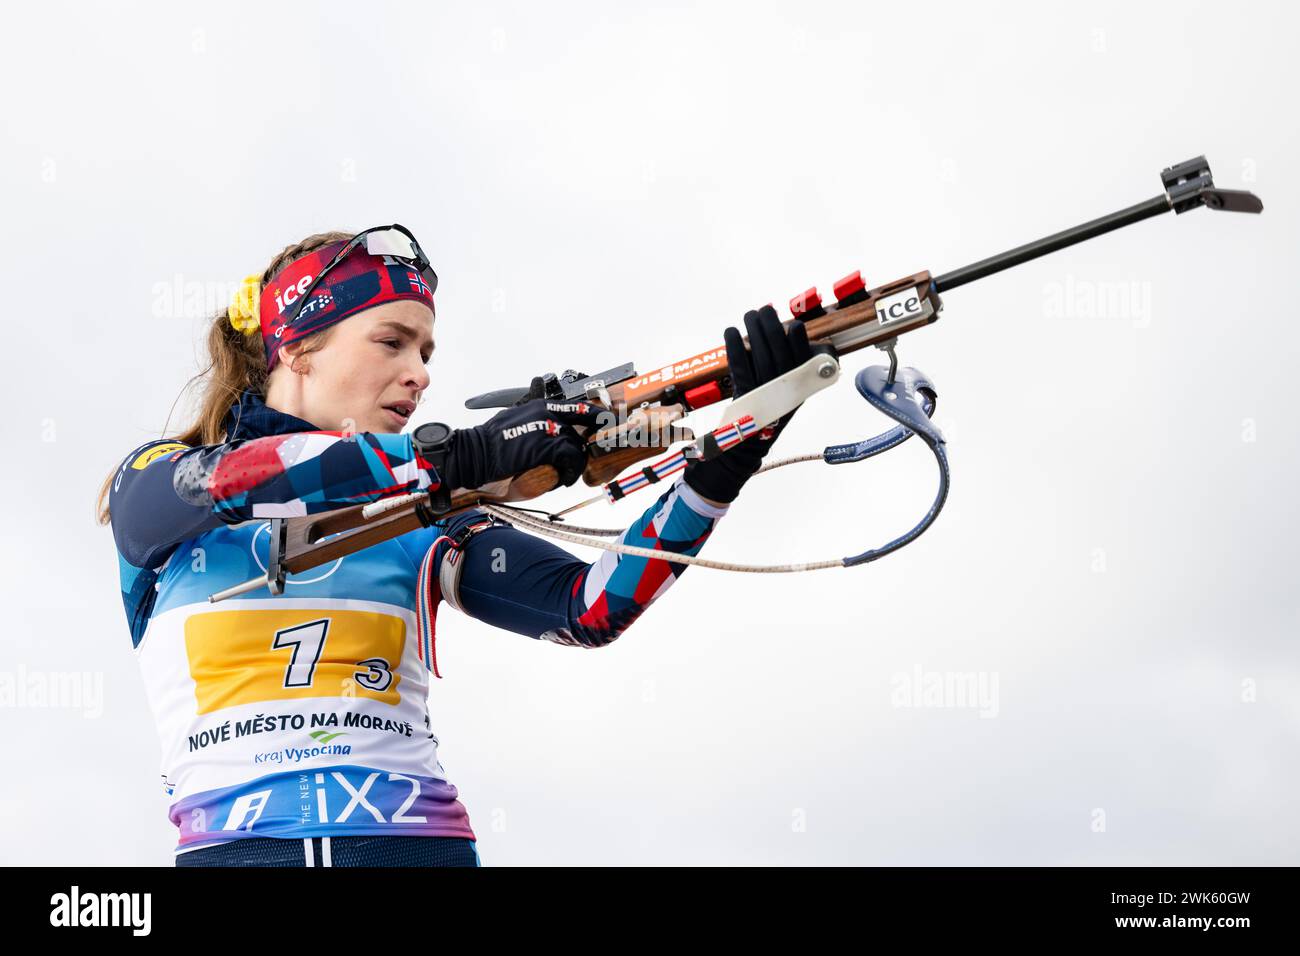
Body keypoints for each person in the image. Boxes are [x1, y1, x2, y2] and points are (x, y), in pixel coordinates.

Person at [97, 224, 819, 867]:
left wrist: (730, 453)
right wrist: (461, 456)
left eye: (427, 349)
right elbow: (220, 484)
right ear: (296, 347)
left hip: (414, 847)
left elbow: (589, 608)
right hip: (233, 851)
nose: (421, 372)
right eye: (391, 340)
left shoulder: (424, 515)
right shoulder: (158, 480)